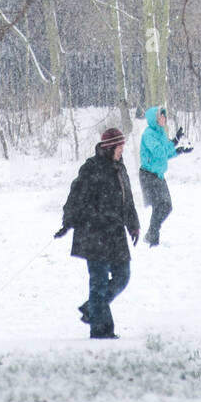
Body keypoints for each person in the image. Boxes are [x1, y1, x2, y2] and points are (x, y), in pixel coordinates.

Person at [54, 128, 140, 340]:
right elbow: (75, 196)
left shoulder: (120, 168)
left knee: (122, 276)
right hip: (94, 234)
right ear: (110, 147)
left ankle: (92, 309)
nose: (122, 151)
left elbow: (127, 200)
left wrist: (133, 225)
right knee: (99, 283)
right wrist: (68, 222)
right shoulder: (91, 168)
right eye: (120, 147)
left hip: (116, 232)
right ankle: (101, 332)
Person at [138, 105, 193, 246]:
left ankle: (151, 235)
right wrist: (174, 141)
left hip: (158, 175)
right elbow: (159, 152)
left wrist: (179, 150)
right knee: (161, 205)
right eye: (161, 116)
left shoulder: (161, 133)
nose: (164, 118)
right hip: (148, 175)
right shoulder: (148, 134)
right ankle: (152, 239)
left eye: (164, 116)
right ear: (154, 119)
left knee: (166, 206)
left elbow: (166, 154)